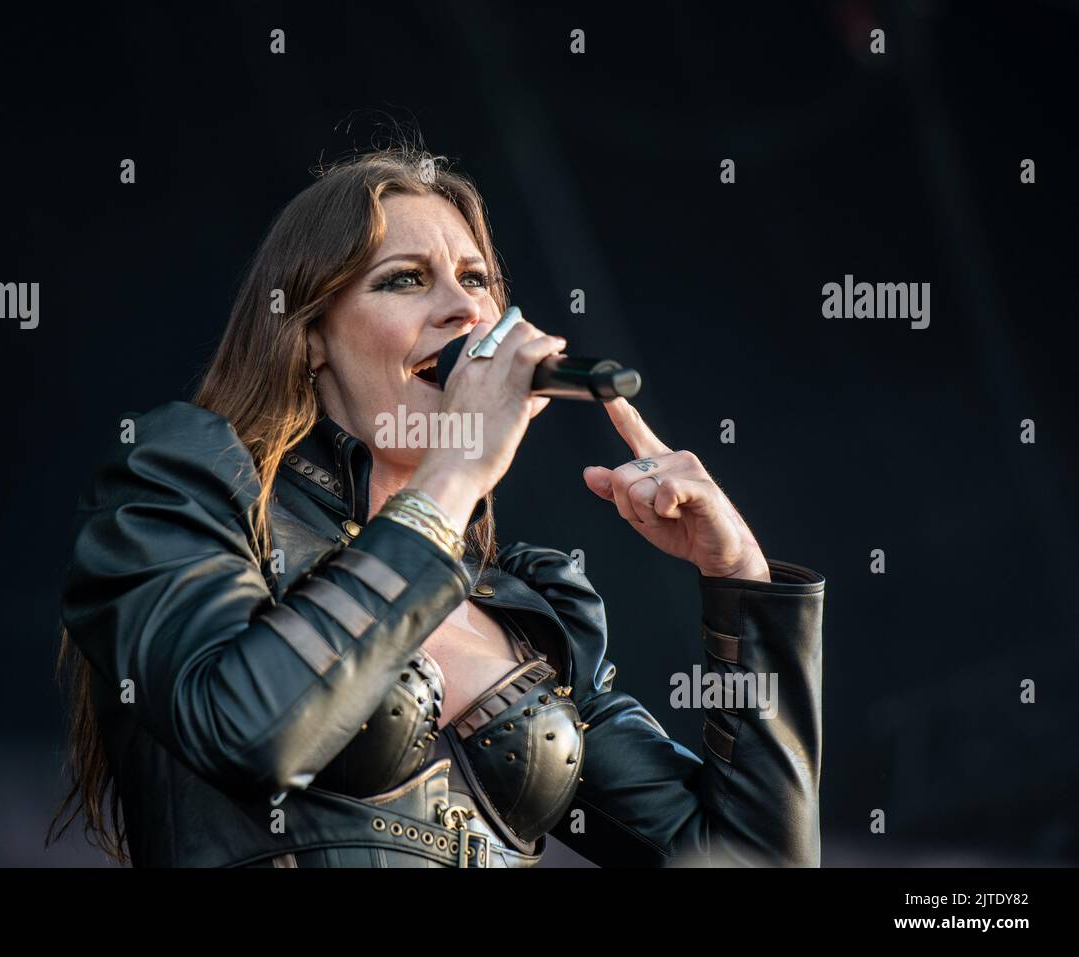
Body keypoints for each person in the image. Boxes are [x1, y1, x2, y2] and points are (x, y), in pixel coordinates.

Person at [46, 146, 826, 868]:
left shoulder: (526, 611)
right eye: (406, 278)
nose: (462, 310)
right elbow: (247, 728)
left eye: (477, 280)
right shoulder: (188, 480)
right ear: (312, 335)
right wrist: (451, 477)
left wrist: (741, 585)